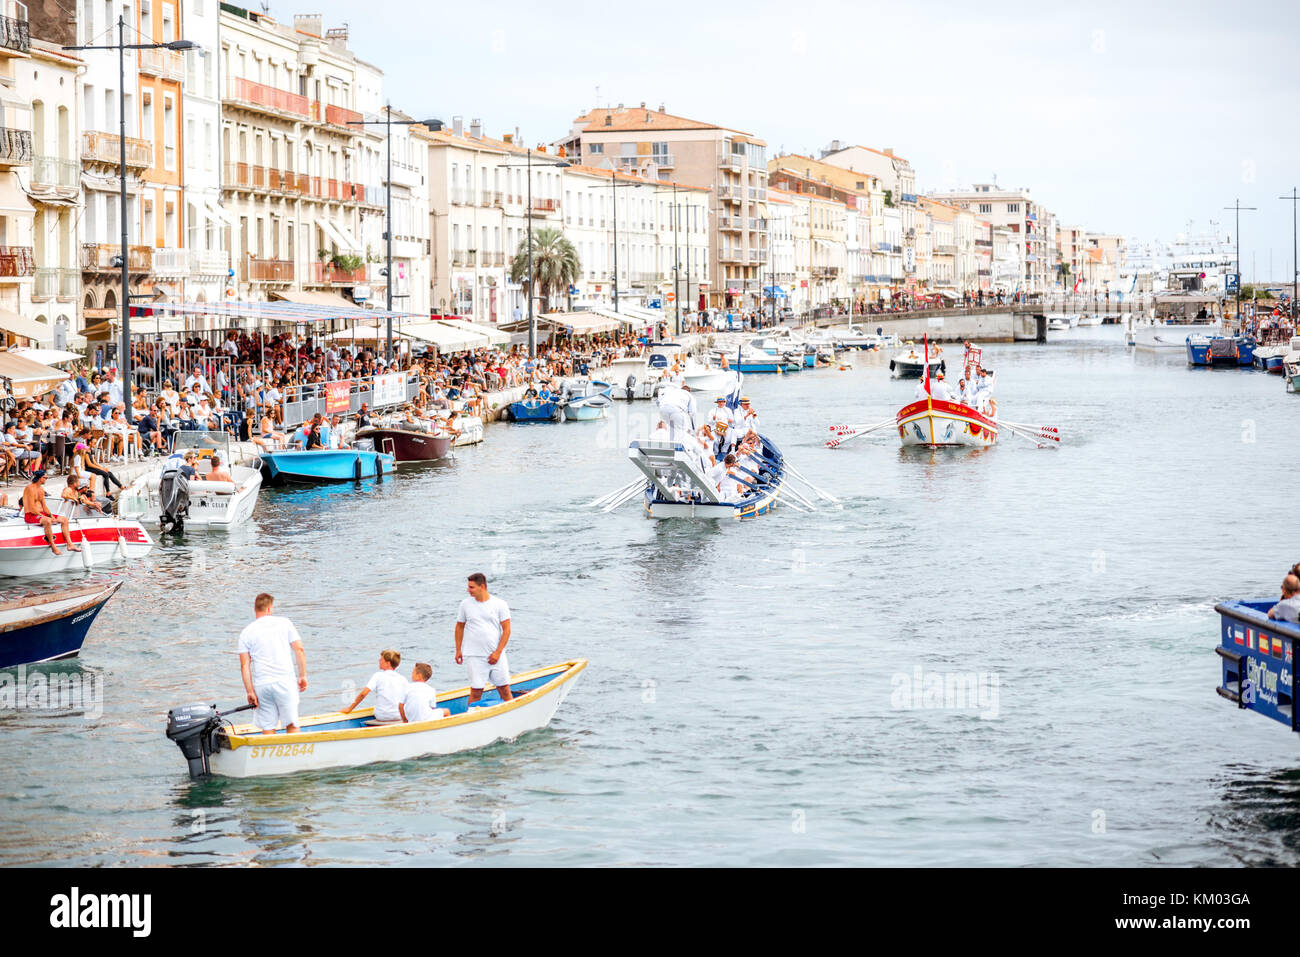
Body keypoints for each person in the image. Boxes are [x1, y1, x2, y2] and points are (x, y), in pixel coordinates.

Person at [237, 593, 308, 734]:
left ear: (255, 609)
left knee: (268, 726)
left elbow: (245, 666)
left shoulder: (246, 632)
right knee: (292, 724)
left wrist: (250, 691)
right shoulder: (284, 623)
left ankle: (271, 755)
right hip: (284, 682)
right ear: (270, 608)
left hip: (262, 685)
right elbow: (299, 650)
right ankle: (294, 755)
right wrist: (302, 676)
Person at [454, 572, 513, 704]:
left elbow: (507, 630)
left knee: (504, 689)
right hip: (474, 655)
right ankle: (470, 717)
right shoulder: (465, 604)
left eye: (471, 587)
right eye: (468, 587)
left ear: (482, 586)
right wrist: (458, 649)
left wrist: (498, 652)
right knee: (476, 692)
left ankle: (513, 712)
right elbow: (459, 627)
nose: (468, 590)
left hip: (496, 654)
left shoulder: (500, 604)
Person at [341, 650, 409, 723]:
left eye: (381, 659)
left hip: (382, 717)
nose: (379, 661)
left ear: (388, 663)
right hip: (398, 716)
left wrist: (349, 709)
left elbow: (363, 694)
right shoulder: (403, 679)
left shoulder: (378, 676)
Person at [21, 471, 77, 555]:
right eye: (45, 478)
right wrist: (46, 517)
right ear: (40, 478)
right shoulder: (29, 488)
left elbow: (44, 506)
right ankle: (53, 546)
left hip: (41, 514)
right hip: (31, 515)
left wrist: (51, 515)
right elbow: (32, 508)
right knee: (47, 521)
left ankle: (70, 544)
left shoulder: (41, 489)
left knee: (64, 519)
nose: (46, 479)